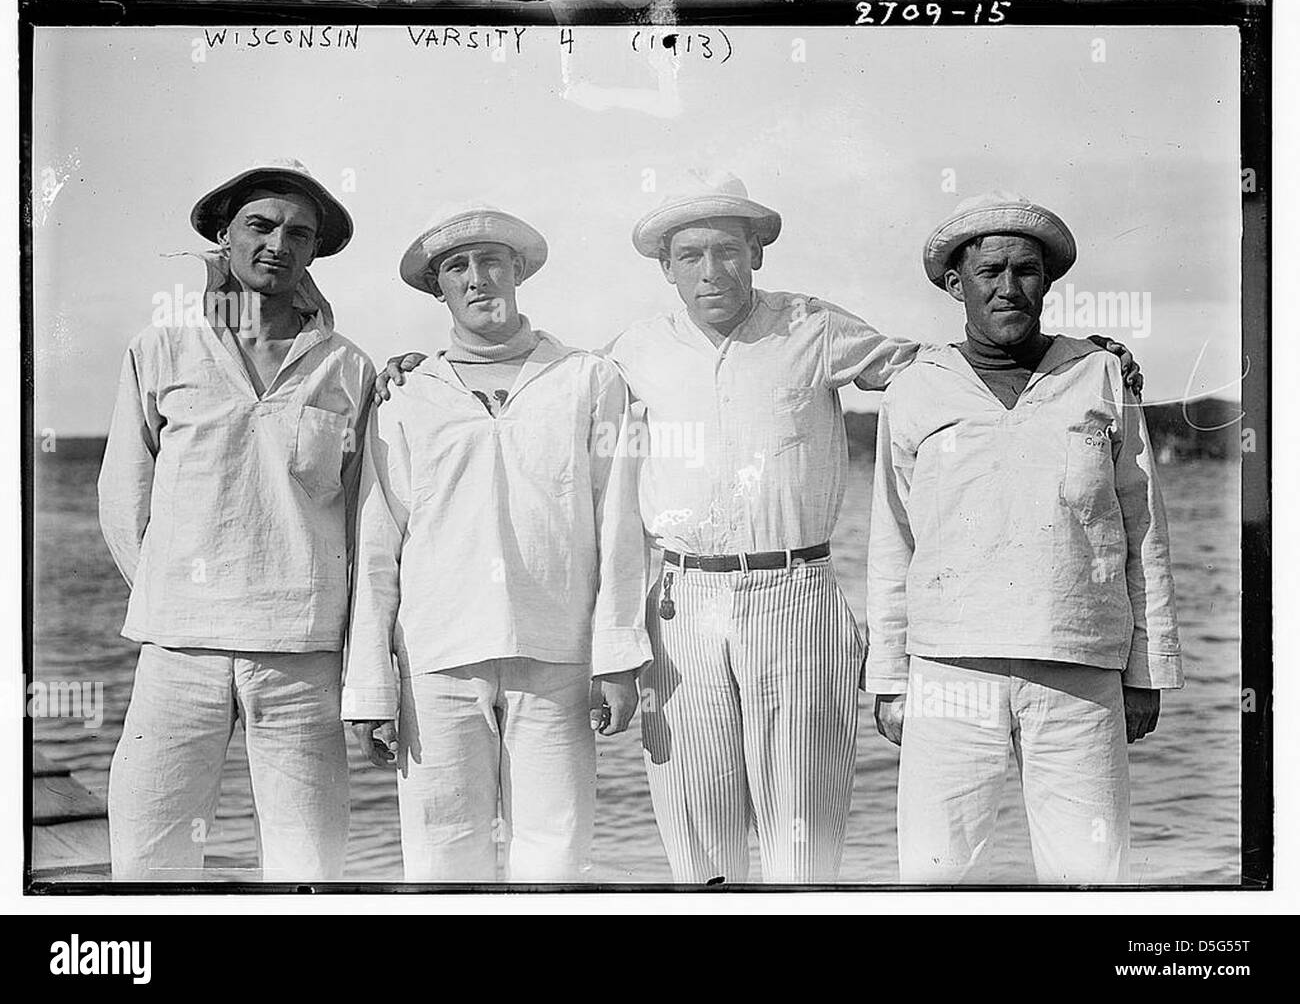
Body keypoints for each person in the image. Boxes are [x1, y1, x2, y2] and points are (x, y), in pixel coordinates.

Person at [377, 171, 1144, 885]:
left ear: (755, 254)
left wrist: (1079, 356)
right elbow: (540, 388)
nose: (712, 270)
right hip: (680, 608)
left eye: (727, 250)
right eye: (691, 255)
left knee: (803, 845)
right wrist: (422, 367)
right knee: (699, 845)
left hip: (799, 596)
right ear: (666, 269)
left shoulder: (812, 327)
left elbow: (933, 366)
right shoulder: (628, 355)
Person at [867, 190, 1182, 884]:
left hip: (1079, 668)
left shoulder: (1098, 376)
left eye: (1028, 271)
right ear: (957, 285)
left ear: (1048, 281)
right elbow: (893, 541)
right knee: (935, 878)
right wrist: (890, 680)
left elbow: (1143, 529)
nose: (1010, 288)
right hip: (949, 672)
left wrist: (1146, 671)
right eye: (990, 273)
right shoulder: (917, 389)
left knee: (1093, 877)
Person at [342, 204, 650, 882]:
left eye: (492, 263)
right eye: (457, 267)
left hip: (557, 658)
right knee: (441, 863)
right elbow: (375, 549)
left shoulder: (588, 380)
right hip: (437, 663)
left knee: (555, 860)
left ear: (517, 273)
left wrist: (618, 658)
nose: (478, 279)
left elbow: (620, 526)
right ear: (437, 287)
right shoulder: (406, 396)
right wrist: (368, 690)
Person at [98, 158, 374, 880]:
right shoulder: (160, 349)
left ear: (315, 252)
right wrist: (171, 592)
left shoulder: (350, 369)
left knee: (309, 863)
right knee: (150, 857)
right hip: (177, 647)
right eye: (260, 225)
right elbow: (124, 499)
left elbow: (361, 516)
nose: (277, 243)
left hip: (300, 650)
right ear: (224, 237)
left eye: (298, 233)